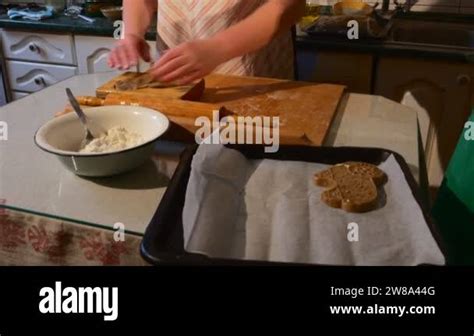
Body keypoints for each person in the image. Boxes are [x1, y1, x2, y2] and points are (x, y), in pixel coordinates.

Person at [108, 0, 306, 84]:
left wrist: (218, 48)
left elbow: (290, 6)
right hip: (175, 75)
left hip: (249, 76)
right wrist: (132, 33)